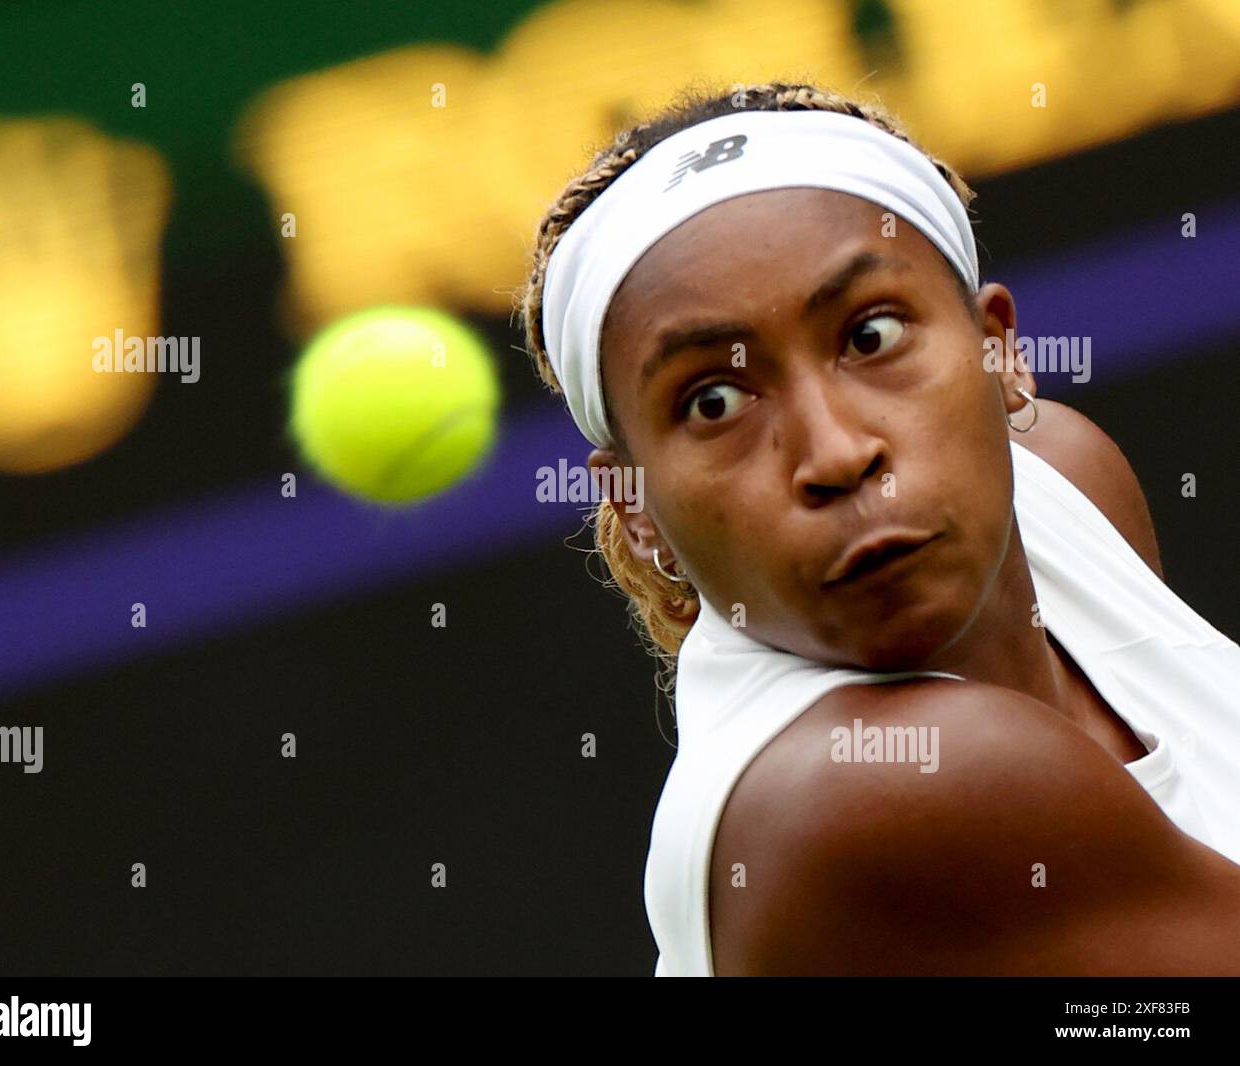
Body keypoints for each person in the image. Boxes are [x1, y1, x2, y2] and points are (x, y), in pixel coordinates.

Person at [518, 83, 1240, 975]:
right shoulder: (879, 794)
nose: (837, 452)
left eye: (871, 336)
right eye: (714, 401)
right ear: (636, 508)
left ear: (1000, 351)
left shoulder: (1065, 482)